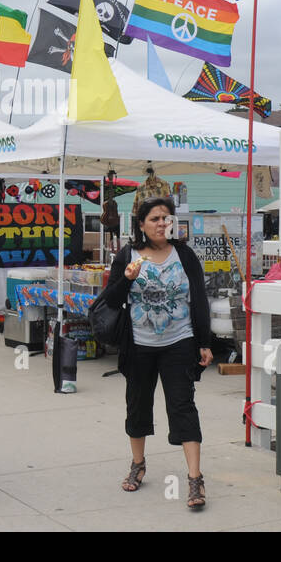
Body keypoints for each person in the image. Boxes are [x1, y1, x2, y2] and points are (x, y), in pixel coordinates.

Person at [102, 197, 215, 510]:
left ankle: (195, 479)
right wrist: (126, 279)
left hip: (179, 341)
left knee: (183, 406)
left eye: (166, 218)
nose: (162, 224)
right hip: (139, 343)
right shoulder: (129, 255)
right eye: (154, 219)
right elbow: (111, 300)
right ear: (141, 224)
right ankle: (138, 464)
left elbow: (200, 300)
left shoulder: (184, 255)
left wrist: (204, 342)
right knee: (137, 404)